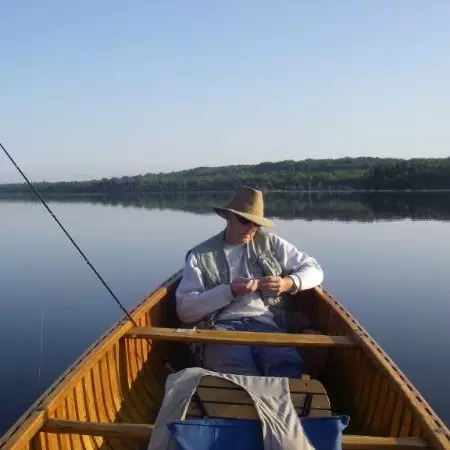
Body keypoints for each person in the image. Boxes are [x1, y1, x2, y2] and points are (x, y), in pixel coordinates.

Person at [175, 186, 324, 377]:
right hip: (223, 328)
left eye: (256, 224)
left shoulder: (271, 243)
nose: (251, 229)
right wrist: (229, 291)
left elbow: (315, 270)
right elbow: (185, 310)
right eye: (245, 221)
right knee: (238, 376)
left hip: (269, 325)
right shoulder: (199, 255)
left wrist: (287, 283)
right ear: (228, 216)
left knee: (288, 369)